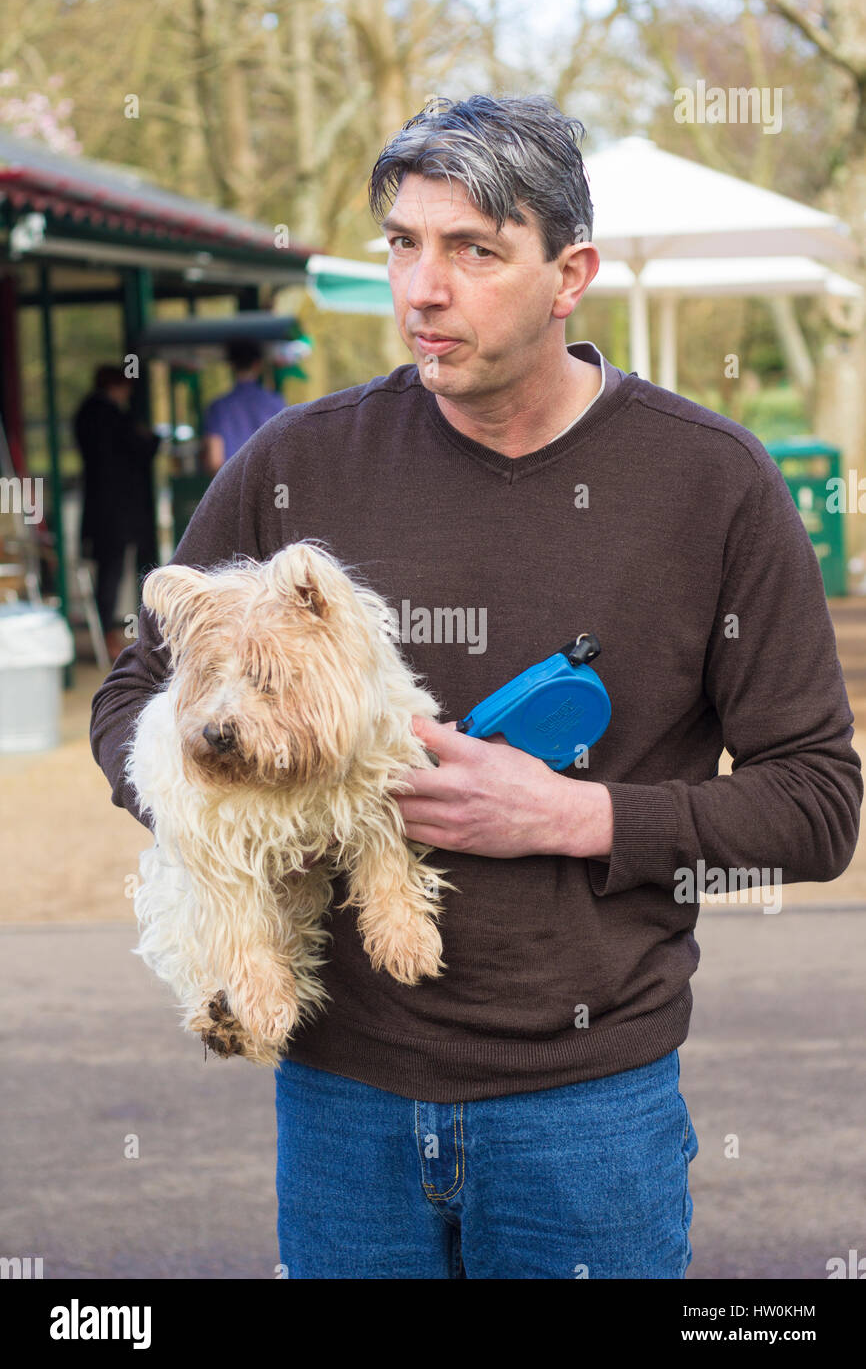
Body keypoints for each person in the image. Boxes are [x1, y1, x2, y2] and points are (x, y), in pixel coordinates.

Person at [89, 94, 861, 1279]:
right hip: (343, 1102)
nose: (419, 290)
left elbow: (815, 809)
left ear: (570, 275)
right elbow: (129, 698)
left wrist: (574, 815)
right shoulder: (294, 466)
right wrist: (236, 800)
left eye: (472, 251)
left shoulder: (712, 483)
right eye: (402, 243)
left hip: (589, 1108)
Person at [74, 364, 160, 663]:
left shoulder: (86, 414)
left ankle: (106, 634)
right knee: (117, 572)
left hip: (100, 509)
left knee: (108, 572)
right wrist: (151, 438)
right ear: (117, 386)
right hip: (120, 510)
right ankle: (116, 636)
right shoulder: (114, 416)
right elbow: (142, 447)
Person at [200, 338, 286, 475]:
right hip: (268, 486)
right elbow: (284, 454)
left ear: (231, 366)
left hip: (231, 486)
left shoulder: (218, 407)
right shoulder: (275, 402)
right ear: (258, 365)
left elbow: (214, 460)